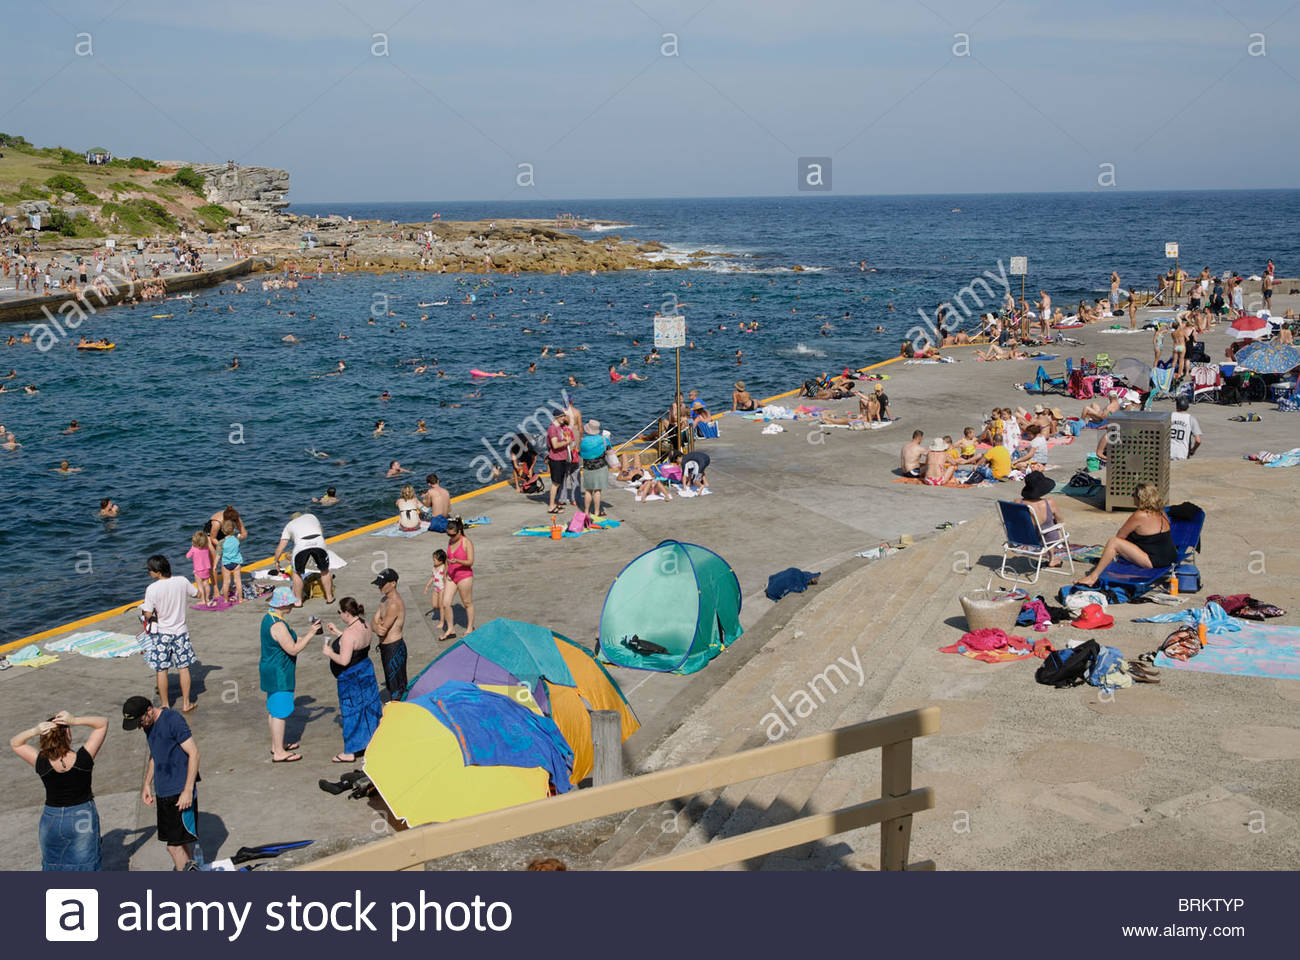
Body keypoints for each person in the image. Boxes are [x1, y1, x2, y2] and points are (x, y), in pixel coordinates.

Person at [10, 711, 108, 870]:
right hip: (82, 815)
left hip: (52, 818)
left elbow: (15, 743)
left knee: (53, 865)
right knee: (86, 866)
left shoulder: (41, 761)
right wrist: (74, 720)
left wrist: (34, 731)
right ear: (67, 735)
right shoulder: (83, 758)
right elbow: (102, 723)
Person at [122, 695, 201, 870]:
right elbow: (155, 754)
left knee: (173, 847)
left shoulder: (172, 720)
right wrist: (147, 784)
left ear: (149, 710)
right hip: (163, 792)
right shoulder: (148, 725)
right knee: (180, 842)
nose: (139, 727)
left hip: (179, 791)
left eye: (140, 721)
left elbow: (194, 753)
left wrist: (188, 790)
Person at [1074, 482, 1177, 587]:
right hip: (1171, 557)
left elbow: (1120, 536)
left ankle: (1093, 577)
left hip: (1155, 562)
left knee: (1113, 542)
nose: (1131, 496)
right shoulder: (1161, 511)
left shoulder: (1140, 515)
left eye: (1133, 494)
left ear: (1140, 497)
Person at [259, 586, 319, 762]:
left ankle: (276, 745)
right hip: (280, 673)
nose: (292, 606)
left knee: (273, 709)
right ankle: (279, 752)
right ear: (283, 604)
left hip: (269, 669)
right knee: (280, 713)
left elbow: (285, 642)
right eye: (290, 603)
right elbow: (293, 650)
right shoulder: (278, 625)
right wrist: (310, 634)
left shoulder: (269, 618)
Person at [322, 597, 383, 763]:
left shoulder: (349, 634)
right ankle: (373, 740)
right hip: (366, 670)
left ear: (347, 613)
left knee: (351, 711)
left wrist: (328, 652)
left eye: (340, 612)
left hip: (351, 678)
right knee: (369, 707)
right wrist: (338, 632)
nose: (340, 615)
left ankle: (350, 751)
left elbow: (344, 660)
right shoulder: (365, 624)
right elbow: (356, 644)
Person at [140, 554, 198, 713]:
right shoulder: (182, 581)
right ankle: (186, 703)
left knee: (161, 669)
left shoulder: (152, 589)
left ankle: (165, 704)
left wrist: (146, 611)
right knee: (183, 668)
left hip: (161, 634)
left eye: (150, 571)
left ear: (157, 572)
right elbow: (196, 593)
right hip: (180, 632)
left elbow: (148, 614)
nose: (149, 573)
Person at [272, 512, 335, 606]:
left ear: (292, 520)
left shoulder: (289, 525)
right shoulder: (311, 516)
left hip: (301, 545)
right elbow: (321, 530)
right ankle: (329, 597)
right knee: (324, 570)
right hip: (318, 541)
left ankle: (298, 601)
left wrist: (276, 560)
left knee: (296, 573)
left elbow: (281, 546)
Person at [371, 569, 408, 697]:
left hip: (394, 647)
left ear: (393, 583)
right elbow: (373, 623)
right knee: (391, 685)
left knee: (397, 689)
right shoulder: (383, 600)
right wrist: (376, 626)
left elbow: (382, 631)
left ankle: (400, 712)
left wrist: (377, 625)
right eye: (379, 584)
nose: (380, 587)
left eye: (383, 584)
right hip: (386, 648)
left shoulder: (394, 604)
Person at [1017, 472, 1067, 565]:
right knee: (1052, 525)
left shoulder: (1017, 502)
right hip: (1046, 539)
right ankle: (1052, 558)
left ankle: (1051, 557)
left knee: (1040, 526)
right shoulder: (1049, 503)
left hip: (1024, 537)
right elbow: (1060, 520)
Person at [440, 520, 475, 641]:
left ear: (459, 532)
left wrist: (458, 561)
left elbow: (471, 561)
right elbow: (447, 559)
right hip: (451, 576)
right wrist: (445, 574)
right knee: (445, 603)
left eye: (453, 535)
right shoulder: (450, 541)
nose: (451, 537)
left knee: (467, 603)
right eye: (448, 535)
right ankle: (450, 629)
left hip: (464, 576)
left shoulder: (466, 542)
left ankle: (470, 627)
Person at [580, 419, 611, 517]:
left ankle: (586, 511)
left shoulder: (583, 441)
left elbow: (581, 453)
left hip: (587, 467)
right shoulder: (603, 439)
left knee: (588, 490)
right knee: (597, 490)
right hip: (600, 467)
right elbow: (609, 452)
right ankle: (597, 512)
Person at [545, 410, 574, 513]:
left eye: (564, 416)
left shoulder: (559, 428)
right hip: (556, 459)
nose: (564, 418)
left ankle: (555, 504)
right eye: (562, 416)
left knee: (558, 482)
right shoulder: (552, 429)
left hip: (562, 458)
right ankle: (551, 506)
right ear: (556, 417)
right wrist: (567, 442)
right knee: (555, 483)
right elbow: (555, 445)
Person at [218, 517, 244, 603]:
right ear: (233, 529)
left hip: (226, 564)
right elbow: (241, 536)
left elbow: (218, 554)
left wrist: (214, 565)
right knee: (238, 581)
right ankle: (240, 599)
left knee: (226, 582)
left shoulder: (221, 542)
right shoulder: (237, 540)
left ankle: (226, 600)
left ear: (223, 530)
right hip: (236, 562)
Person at [186, 531, 213, 607]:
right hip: (207, 568)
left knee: (200, 586)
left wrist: (192, 547)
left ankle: (203, 600)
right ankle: (207, 598)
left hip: (198, 570)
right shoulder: (206, 548)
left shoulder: (194, 549)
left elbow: (187, 556)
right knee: (206, 584)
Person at [424, 549, 448, 624]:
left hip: (442, 588)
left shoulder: (444, 567)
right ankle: (444, 610)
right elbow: (432, 577)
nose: (433, 561)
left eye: (434, 560)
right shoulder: (434, 567)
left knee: (441, 606)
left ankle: (441, 621)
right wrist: (427, 586)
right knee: (435, 606)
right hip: (435, 588)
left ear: (441, 561)